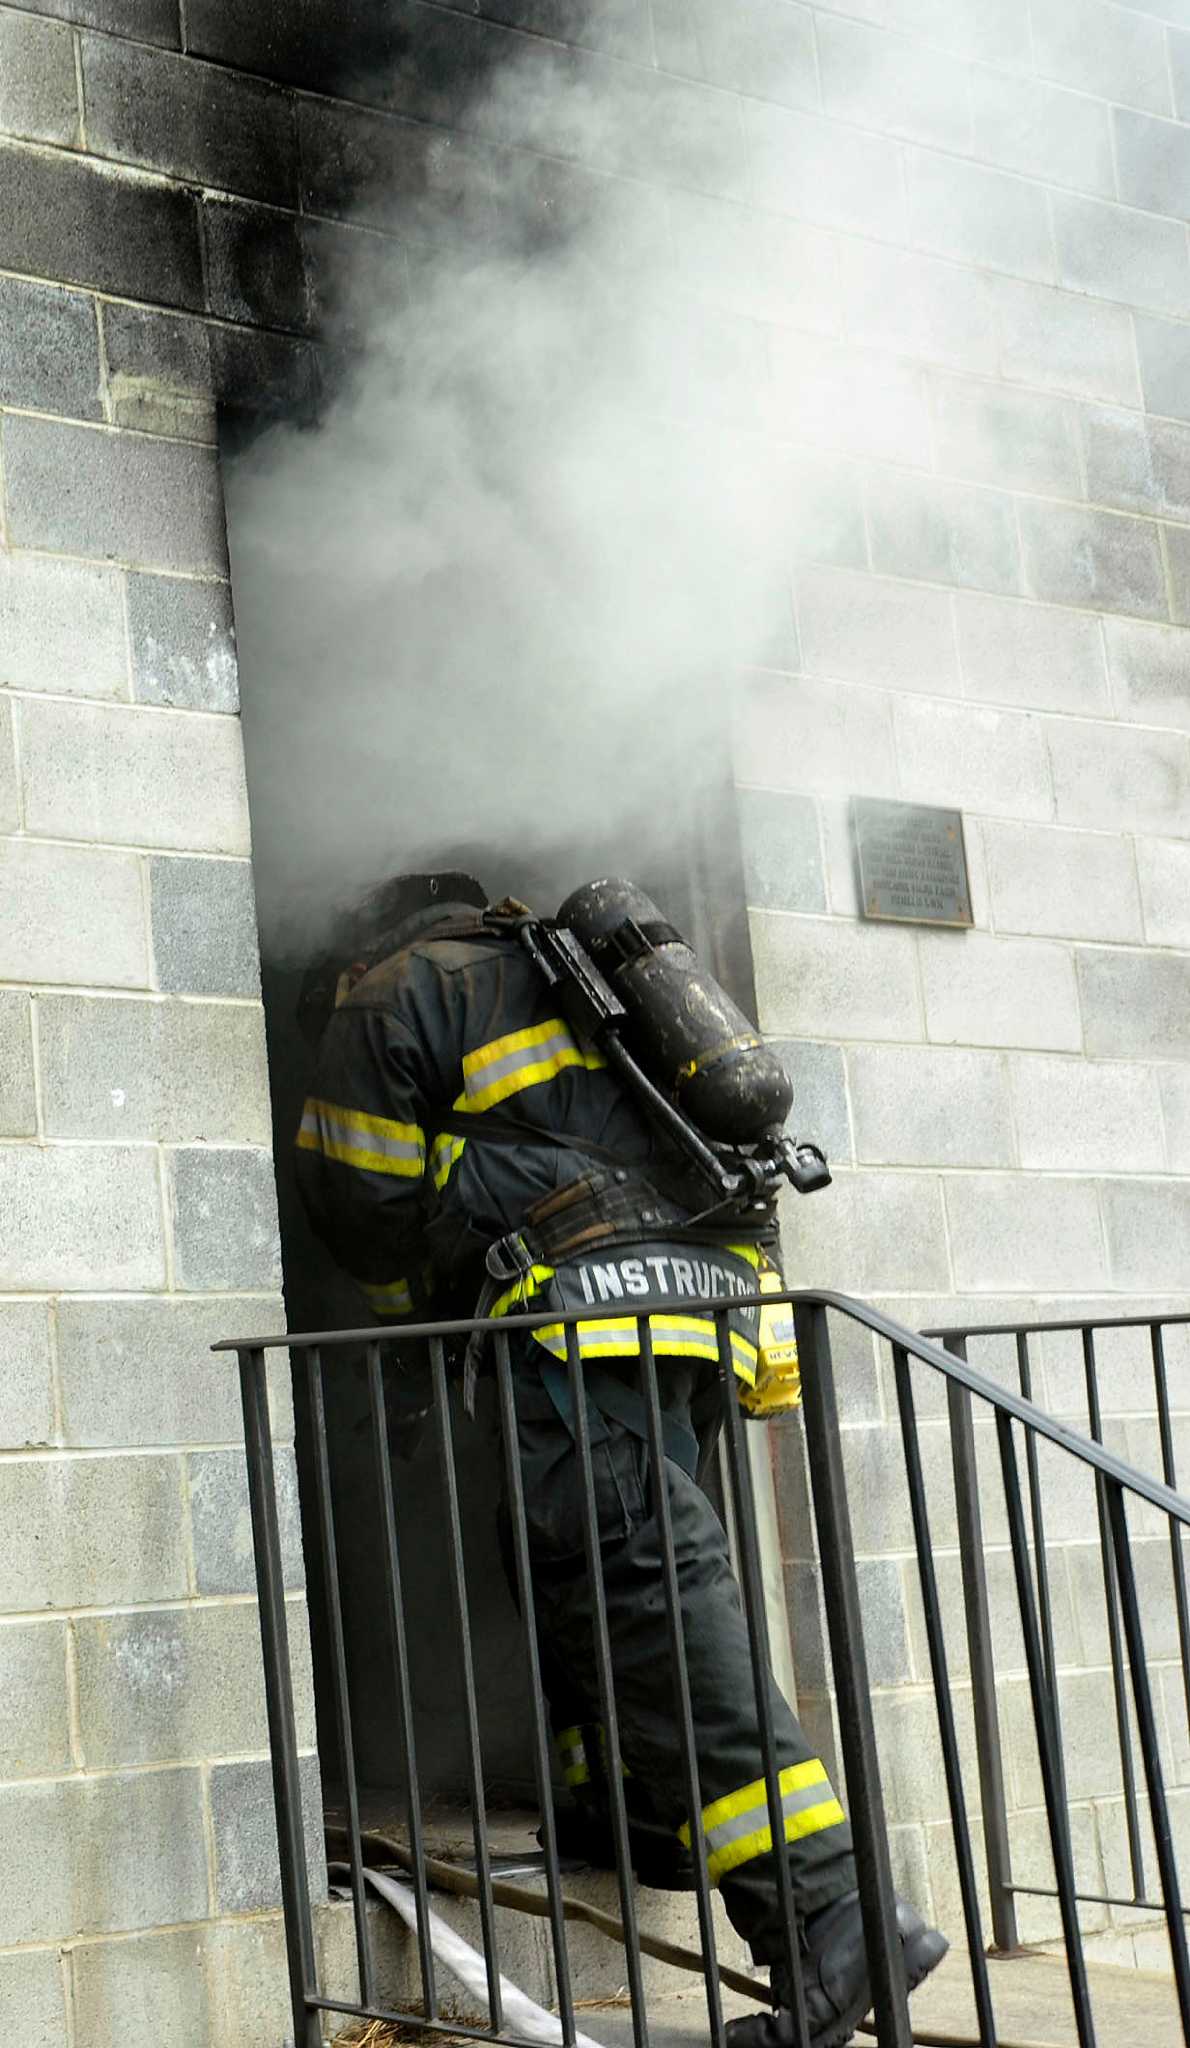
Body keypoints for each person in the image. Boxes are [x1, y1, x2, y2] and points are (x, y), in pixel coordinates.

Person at [295, 870, 947, 2048]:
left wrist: (411, 1321)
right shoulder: (582, 988)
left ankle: (827, 1908)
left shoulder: (396, 989)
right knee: (599, 1575)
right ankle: (631, 1809)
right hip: (690, 1320)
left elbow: (356, 1193)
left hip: (568, 1325)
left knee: (647, 1599)